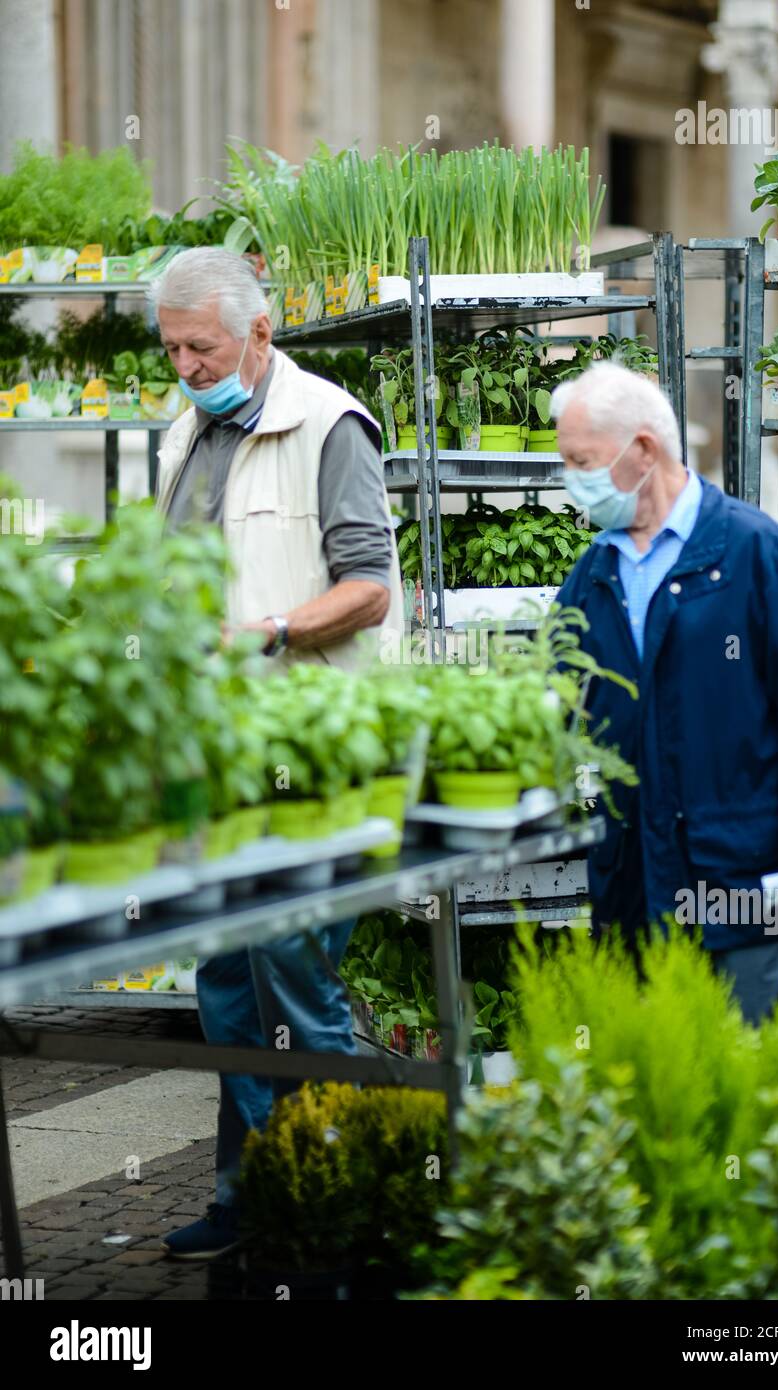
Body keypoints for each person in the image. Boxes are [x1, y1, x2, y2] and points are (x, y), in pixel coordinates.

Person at [149, 248, 403, 1258]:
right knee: (224, 981)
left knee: (296, 983)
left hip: (302, 755)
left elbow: (372, 585)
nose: (185, 364)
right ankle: (248, 1198)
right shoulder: (188, 429)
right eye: (171, 348)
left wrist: (266, 631)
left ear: (259, 332)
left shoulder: (328, 426)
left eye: (200, 345)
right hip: (214, 754)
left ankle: (328, 1208)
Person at [553, 361, 778, 1024]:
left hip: (741, 881)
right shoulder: (593, 572)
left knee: (751, 1081)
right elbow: (558, 702)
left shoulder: (752, 553)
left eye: (582, 462)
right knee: (659, 1087)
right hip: (634, 885)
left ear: (642, 450)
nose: (571, 481)